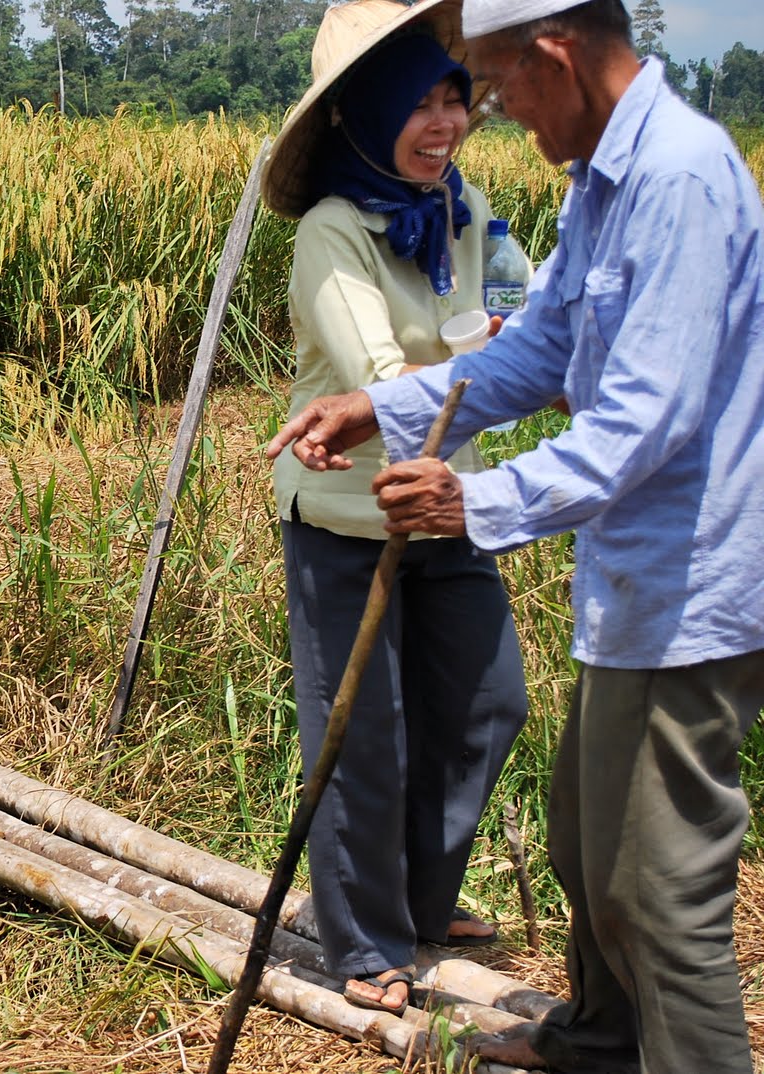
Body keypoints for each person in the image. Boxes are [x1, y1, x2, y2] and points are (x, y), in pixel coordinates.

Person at [265, 0, 764, 1069]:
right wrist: (381, 413)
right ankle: (598, 1041)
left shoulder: (674, 176)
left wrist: (474, 504)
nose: (488, 117)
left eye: (487, 89)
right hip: (631, 582)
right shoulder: (602, 181)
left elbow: (644, 419)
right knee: (594, 849)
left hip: (690, 584)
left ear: (554, 53)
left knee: (660, 891)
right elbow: (537, 350)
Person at [260, 0, 529, 1015]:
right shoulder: (335, 231)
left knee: (486, 703)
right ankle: (363, 939)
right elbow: (382, 376)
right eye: (416, 105)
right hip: (345, 512)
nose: (442, 124)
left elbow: (510, 309)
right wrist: (499, 353)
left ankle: (420, 895)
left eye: (453, 101)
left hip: (442, 506)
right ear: (369, 117)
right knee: (362, 729)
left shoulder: (463, 208)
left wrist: (506, 345)